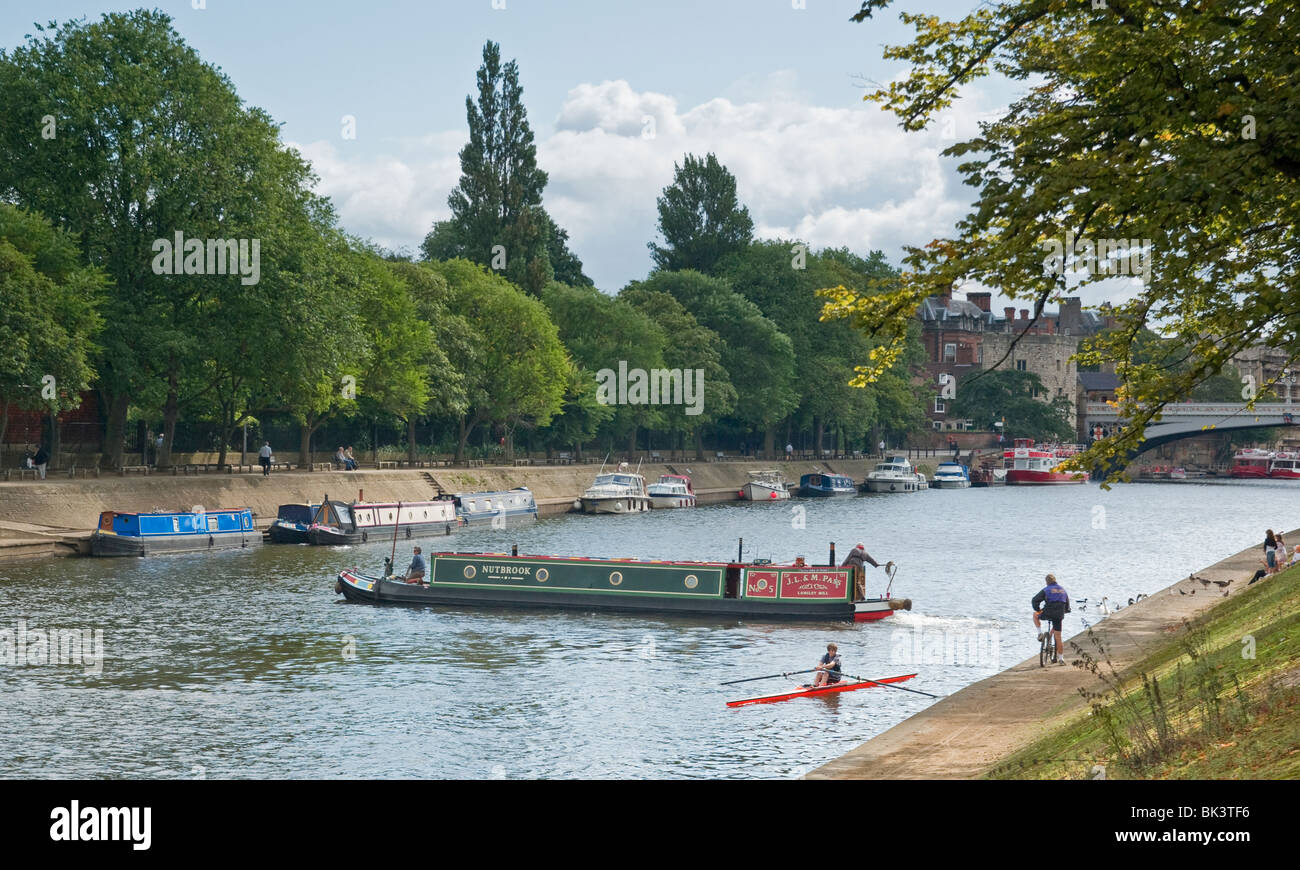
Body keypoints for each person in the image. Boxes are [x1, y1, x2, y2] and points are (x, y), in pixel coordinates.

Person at [1032, 574, 1070, 663]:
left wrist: (1038, 609)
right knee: (1058, 637)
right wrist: (1063, 612)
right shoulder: (1063, 590)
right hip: (1059, 614)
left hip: (1048, 612)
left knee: (1035, 615)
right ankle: (1061, 659)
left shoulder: (1047, 589)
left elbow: (1034, 600)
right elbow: (1067, 607)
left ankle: (1040, 633)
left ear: (1047, 582)